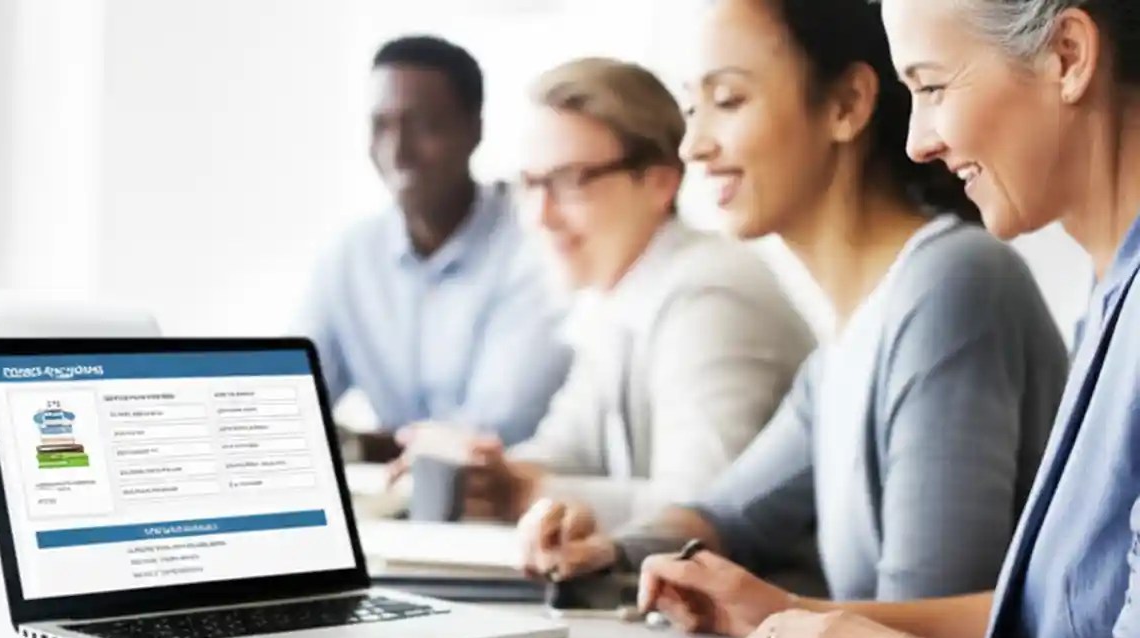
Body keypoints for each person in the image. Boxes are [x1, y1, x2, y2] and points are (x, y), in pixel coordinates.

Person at [634, 0, 1140, 638]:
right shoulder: (1111, 295)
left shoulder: (963, 282)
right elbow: (1053, 618)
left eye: (931, 88)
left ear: (1067, 55)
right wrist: (789, 616)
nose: (917, 141)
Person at [522, 0, 1069, 605]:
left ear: (846, 105)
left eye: (728, 101)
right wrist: (608, 552)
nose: (693, 147)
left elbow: (927, 613)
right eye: (691, 109)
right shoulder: (848, 333)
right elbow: (728, 514)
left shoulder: (953, 284)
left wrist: (773, 618)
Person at [417, 57, 816, 526]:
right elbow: (570, 445)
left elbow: (703, 511)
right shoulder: (616, 296)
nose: (539, 215)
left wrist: (526, 494)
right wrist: (486, 475)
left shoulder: (710, 298)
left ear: (660, 182)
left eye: (569, 181)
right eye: (530, 184)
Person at [296, 36, 571, 462]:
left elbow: (491, 434)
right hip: (399, 508)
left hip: (499, 513)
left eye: (422, 125)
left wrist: (355, 444)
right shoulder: (348, 257)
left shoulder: (536, 244)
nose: (398, 150)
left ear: (473, 130)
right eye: (381, 125)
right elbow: (294, 408)